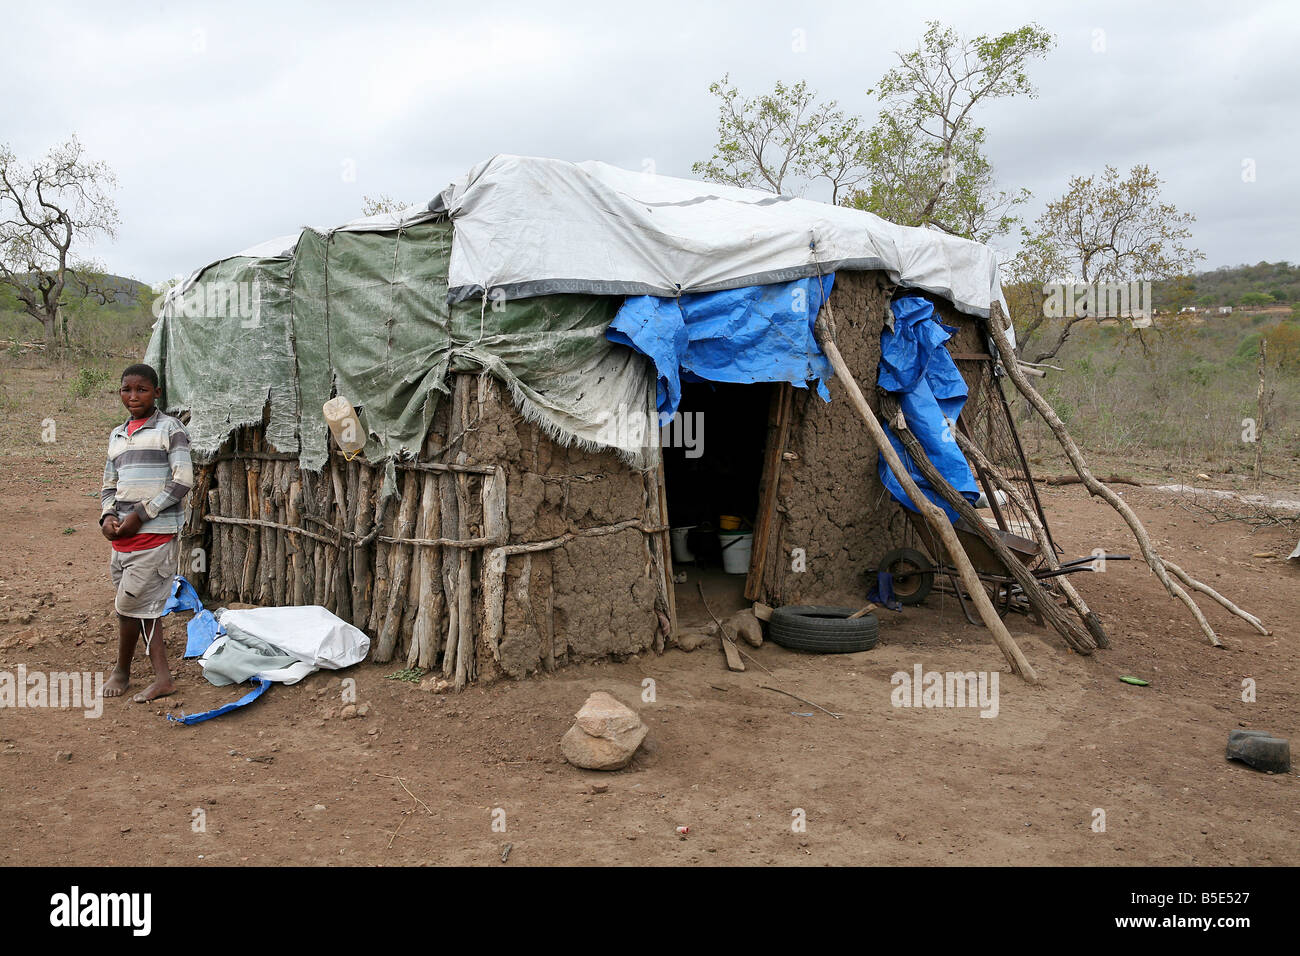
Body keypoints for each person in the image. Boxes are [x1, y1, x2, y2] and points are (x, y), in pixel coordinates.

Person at [99, 363, 193, 702]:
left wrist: (142, 513)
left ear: (157, 392)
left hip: (155, 537)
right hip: (123, 540)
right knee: (141, 606)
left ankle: (123, 671)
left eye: (141, 390)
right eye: (127, 389)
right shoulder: (117, 435)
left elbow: (182, 480)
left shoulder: (170, 429)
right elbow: (110, 485)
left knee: (128, 606)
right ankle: (160, 678)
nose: (133, 396)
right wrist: (108, 517)